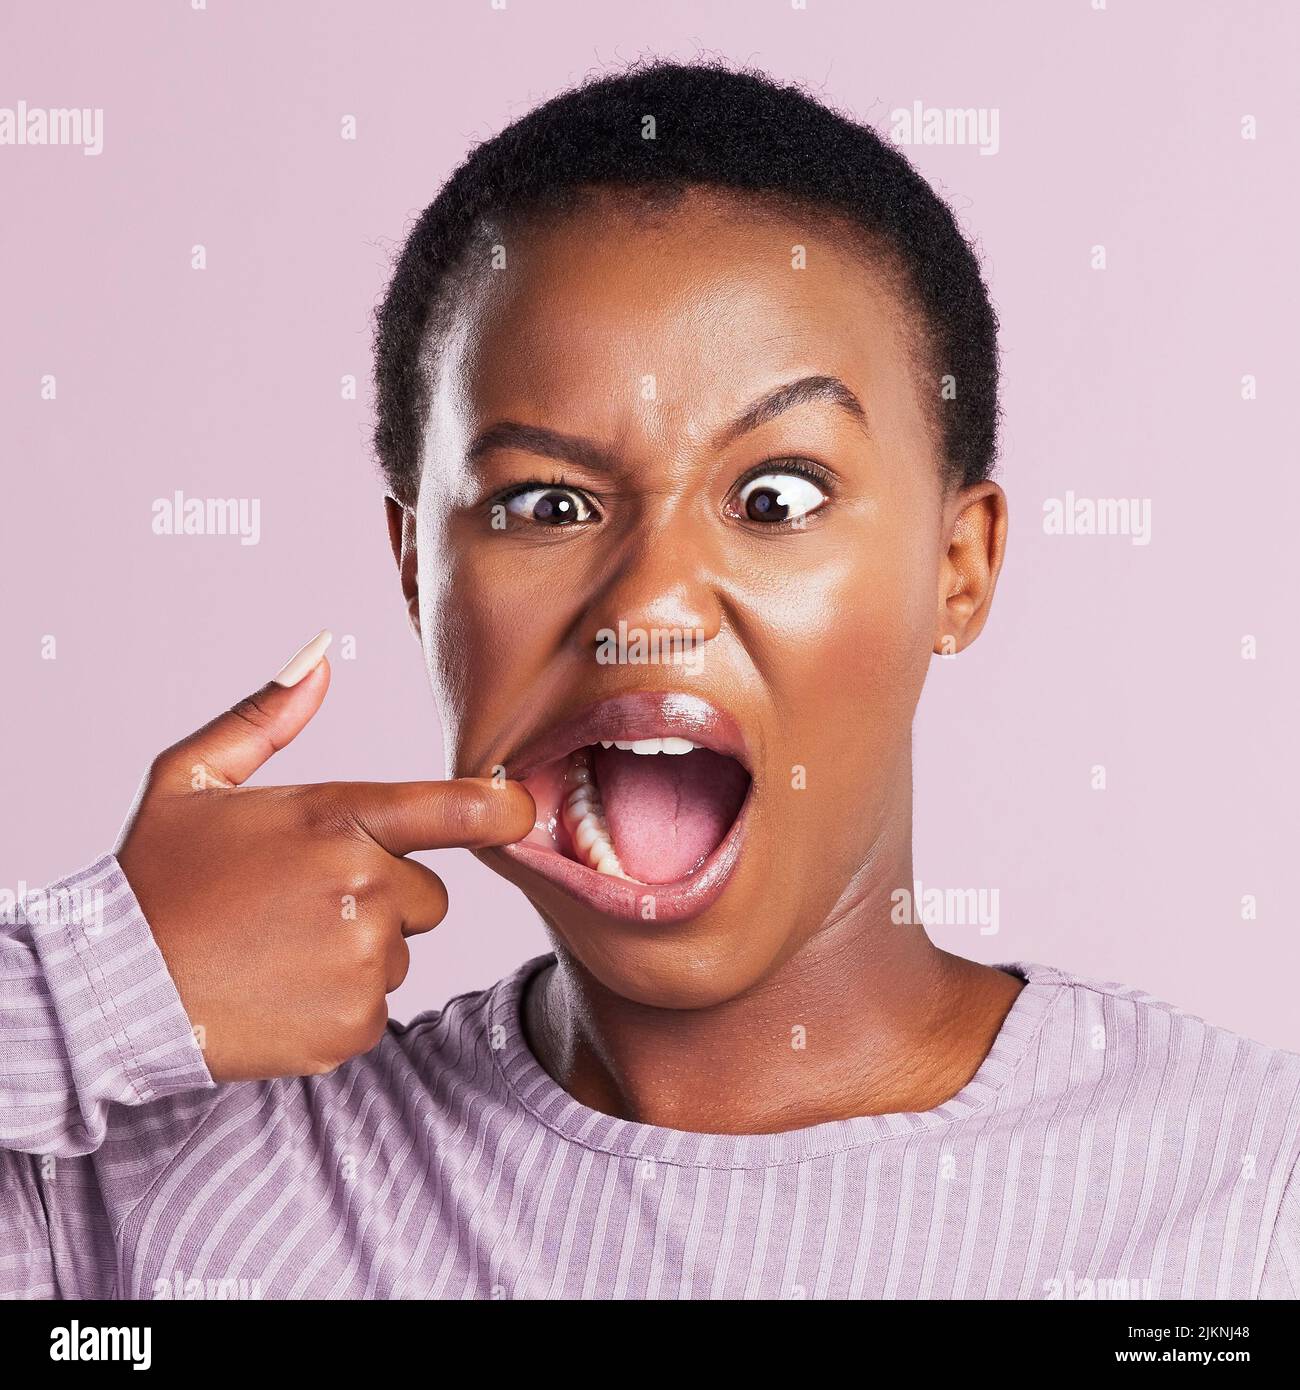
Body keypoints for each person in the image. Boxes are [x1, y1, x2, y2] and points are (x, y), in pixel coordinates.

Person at [3, 59, 1297, 1301]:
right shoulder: (179, 1193)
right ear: (416, 570)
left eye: (776, 496)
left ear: (957, 568)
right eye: (546, 501)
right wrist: (89, 992)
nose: (647, 605)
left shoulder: (1251, 1194)